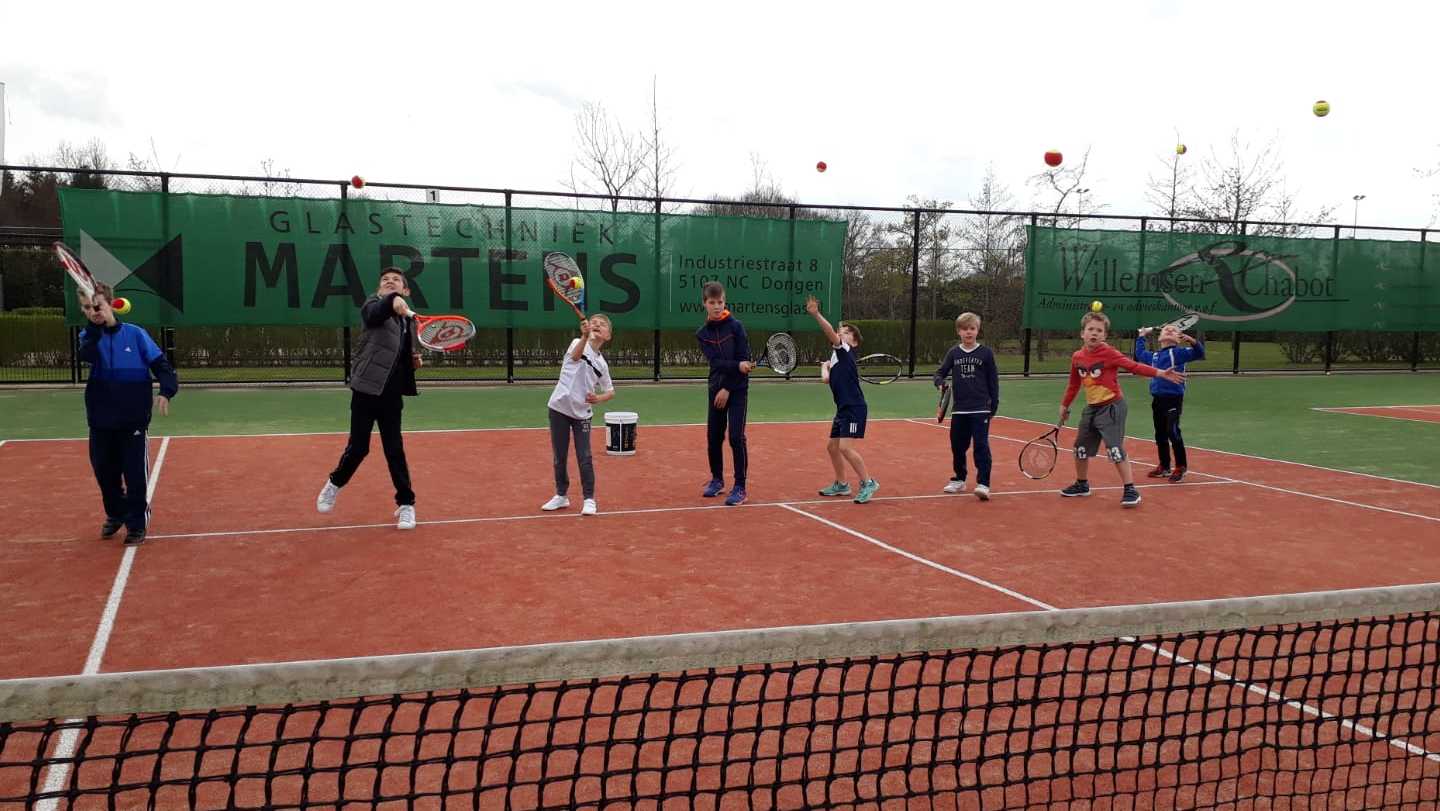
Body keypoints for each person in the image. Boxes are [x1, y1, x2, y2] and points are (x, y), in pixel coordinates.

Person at [316, 268, 423, 529]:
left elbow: (402, 354)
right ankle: (334, 484)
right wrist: (391, 301)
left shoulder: (409, 322)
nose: (389, 282)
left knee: (394, 449)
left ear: (406, 290)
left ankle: (406, 504)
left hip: (392, 393)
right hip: (365, 389)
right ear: (379, 290)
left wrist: (412, 362)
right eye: (385, 281)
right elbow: (375, 314)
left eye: (395, 280)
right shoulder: (373, 305)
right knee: (358, 447)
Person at [78, 283, 179, 546]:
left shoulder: (135, 335)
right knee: (105, 474)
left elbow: (161, 365)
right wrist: (96, 327)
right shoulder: (89, 337)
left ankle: (136, 523)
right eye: (87, 307)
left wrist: (166, 391)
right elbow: (85, 354)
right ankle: (115, 513)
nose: (94, 311)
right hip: (100, 421)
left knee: (135, 476)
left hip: (133, 421)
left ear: (111, 304)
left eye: (98, 305)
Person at [1058, 311, 1185, 508]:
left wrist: (1160, 373)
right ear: (1082, 333)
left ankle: (1130, 489)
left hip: (1112, 407)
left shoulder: (1109, 353)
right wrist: (1065, 406)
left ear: (1104, 336)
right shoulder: (1077, 357)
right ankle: (1082, 484)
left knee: (1114, 449)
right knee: (1080, 448)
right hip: (1091, 408)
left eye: (1099, 331)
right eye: (1090, 329)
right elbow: (1074, 385)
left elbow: (1133, 366)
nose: (1094, 333)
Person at [542, 315, 616, 516]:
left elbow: (611, 391)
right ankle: (561, 496)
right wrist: (583, 337)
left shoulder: (602, 364)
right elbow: (575, 357)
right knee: (560, 456)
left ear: (608, 336)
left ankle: (589, 499)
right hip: (558, 408)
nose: (597, 325)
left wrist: (598, 399)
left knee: (584, 456)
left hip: (582, 414)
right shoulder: (577, 343)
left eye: (602, 325)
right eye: (594, 322)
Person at [809, 297, 879, 503]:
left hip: (854, 408)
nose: (841, 333)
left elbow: (830, 331)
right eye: (842, 330)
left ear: (854, 342)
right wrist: (825, 367)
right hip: (843, 408)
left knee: (846, 448)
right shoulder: (835, 357)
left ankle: (868, 483)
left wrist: (815, 314)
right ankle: (841, 485)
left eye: (847, 332)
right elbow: (826, 379)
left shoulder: (845, 351)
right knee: (832, 447)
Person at [932, 312, 1000, 500]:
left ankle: (984, 483)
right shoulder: (954, 353)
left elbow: (993, 381)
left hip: (980, 408)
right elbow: (939, 374)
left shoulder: (986, 353)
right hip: (960, 409)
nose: (968, 332)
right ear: (958, 332)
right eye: (965, 329)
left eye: (972, 328)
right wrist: (940, 383)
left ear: (977, 330)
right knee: (957, 446)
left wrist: (993, 404)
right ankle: (959, 479)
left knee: (981, 446)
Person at [696, 281, 752, 506]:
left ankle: (740, 487)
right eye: (712, 302)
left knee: (736, 437)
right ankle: (717, 480)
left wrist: (728, 388)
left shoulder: (736, 327)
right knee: (714, 438)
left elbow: (743, 356)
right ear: (705, 304)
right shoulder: (702, 334)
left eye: (720, 302)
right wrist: (736, 368)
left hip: (737, 390)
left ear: (725, 302)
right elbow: (716, 362)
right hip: (715, 389)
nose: (717, 306)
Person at [1135, 322, 1205, 483]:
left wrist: (1193, 341)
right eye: (1166, 329)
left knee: (1172, 431)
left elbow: (1199, 353)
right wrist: (1141, 336)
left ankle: (1181, 466)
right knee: (1160, 434)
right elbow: (1139, 354)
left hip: (1173, 398)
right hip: (1157, 399)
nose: (1169, 330)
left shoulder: (1179, 353)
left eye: (1174, 330)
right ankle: (1164, 466)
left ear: (1178, 339)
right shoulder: (1154, 356)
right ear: (1159, 338)